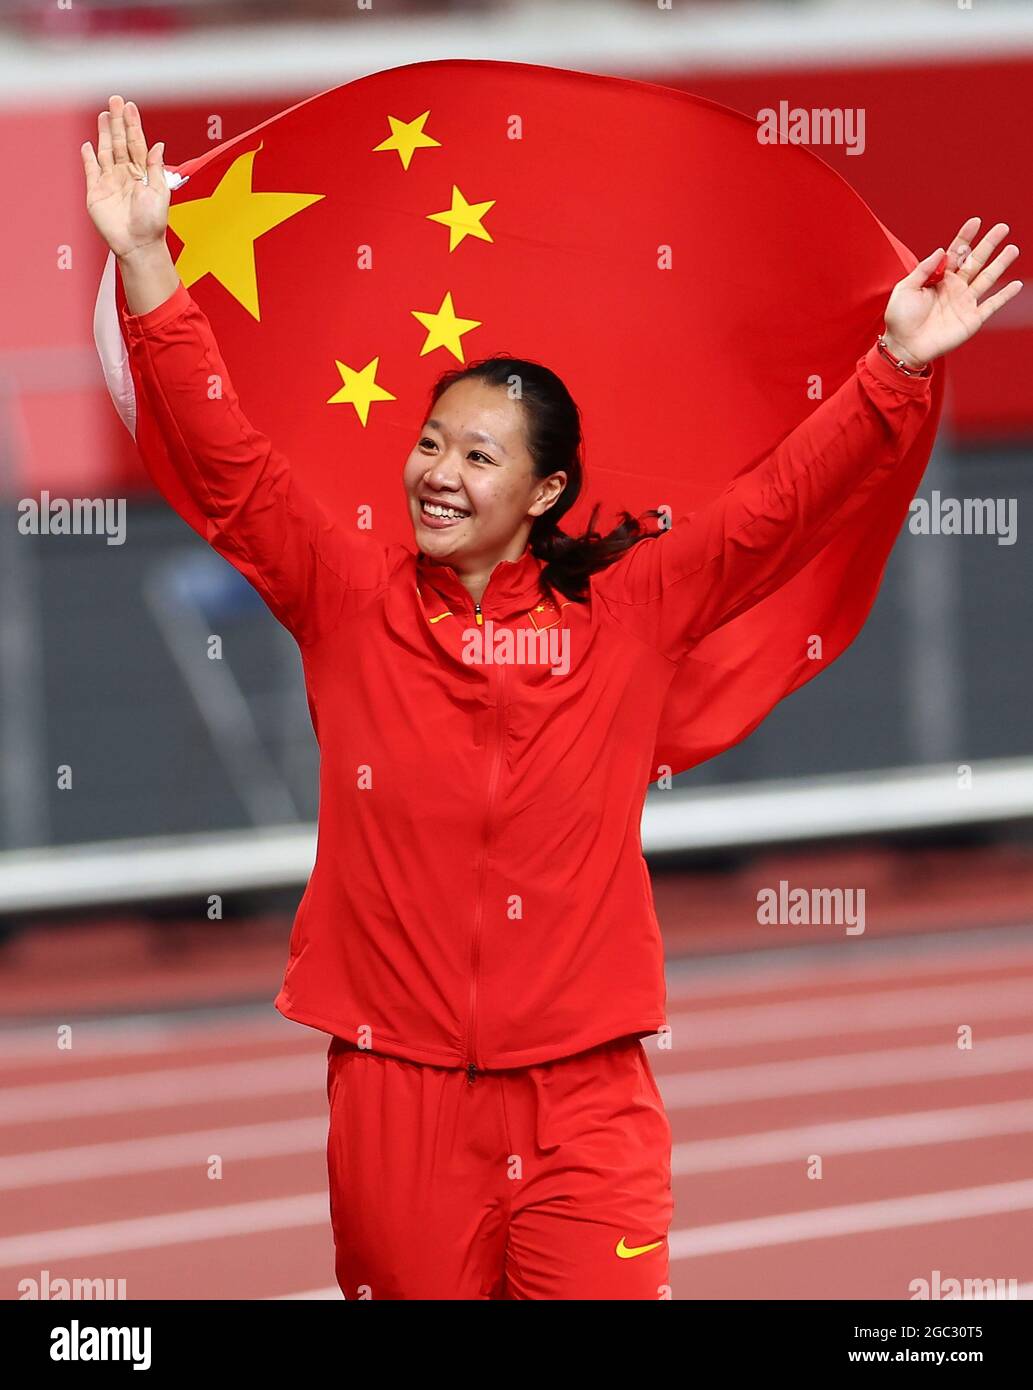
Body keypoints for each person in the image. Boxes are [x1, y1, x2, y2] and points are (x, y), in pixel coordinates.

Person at [82, 94, 1021, 1301]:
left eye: (478, 454)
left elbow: (778, 509)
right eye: (430, 441)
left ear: (545, 490)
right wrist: (150, 257)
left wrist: (894, 364)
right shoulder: (340, 594)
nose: (436, 470)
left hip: (588, 1094)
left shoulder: (629, 610)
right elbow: (226, 452)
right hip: (396, 1088)